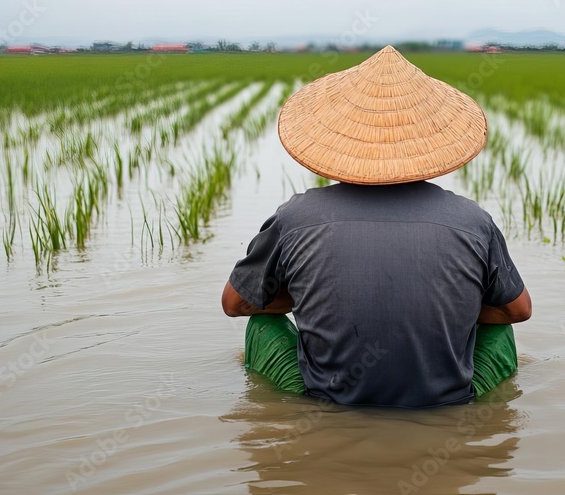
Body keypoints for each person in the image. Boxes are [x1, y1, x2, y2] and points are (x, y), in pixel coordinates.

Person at [221, 45, 531, 409]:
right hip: (447, 400)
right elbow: (518, 310)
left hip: (328, 400)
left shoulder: (295, 217)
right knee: (500, 329)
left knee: (261, 325)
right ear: (427, 144)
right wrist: (449, 309)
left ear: (340, 142)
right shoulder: (472, 220)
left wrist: (306, 300)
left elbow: (234, 304)